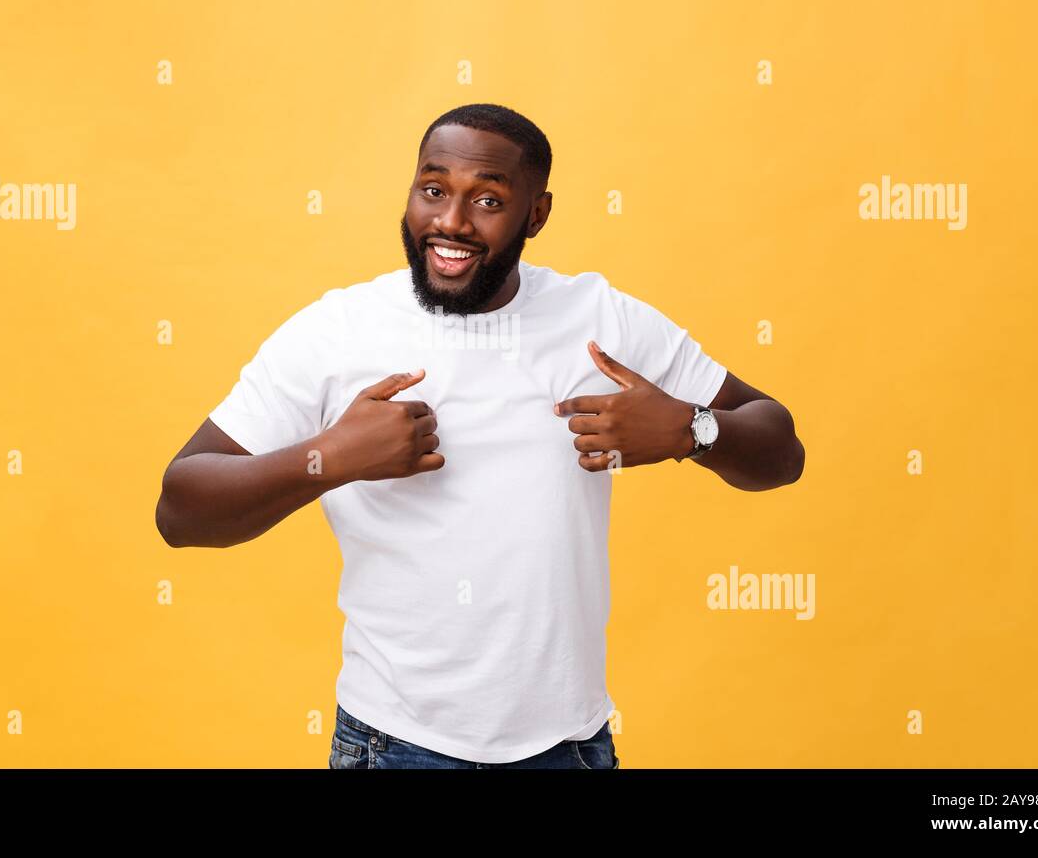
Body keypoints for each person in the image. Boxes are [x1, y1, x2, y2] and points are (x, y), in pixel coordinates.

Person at [156, 103, 805, 768]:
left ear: (537, 214)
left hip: (571, 748)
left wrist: (691, 431)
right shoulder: (337, 331)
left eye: (488, 199)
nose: (451, 223)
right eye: (433, 190)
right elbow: (181, 508)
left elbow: (780, 451)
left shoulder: (601, 319)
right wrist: (331, 458)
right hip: (392, 746)